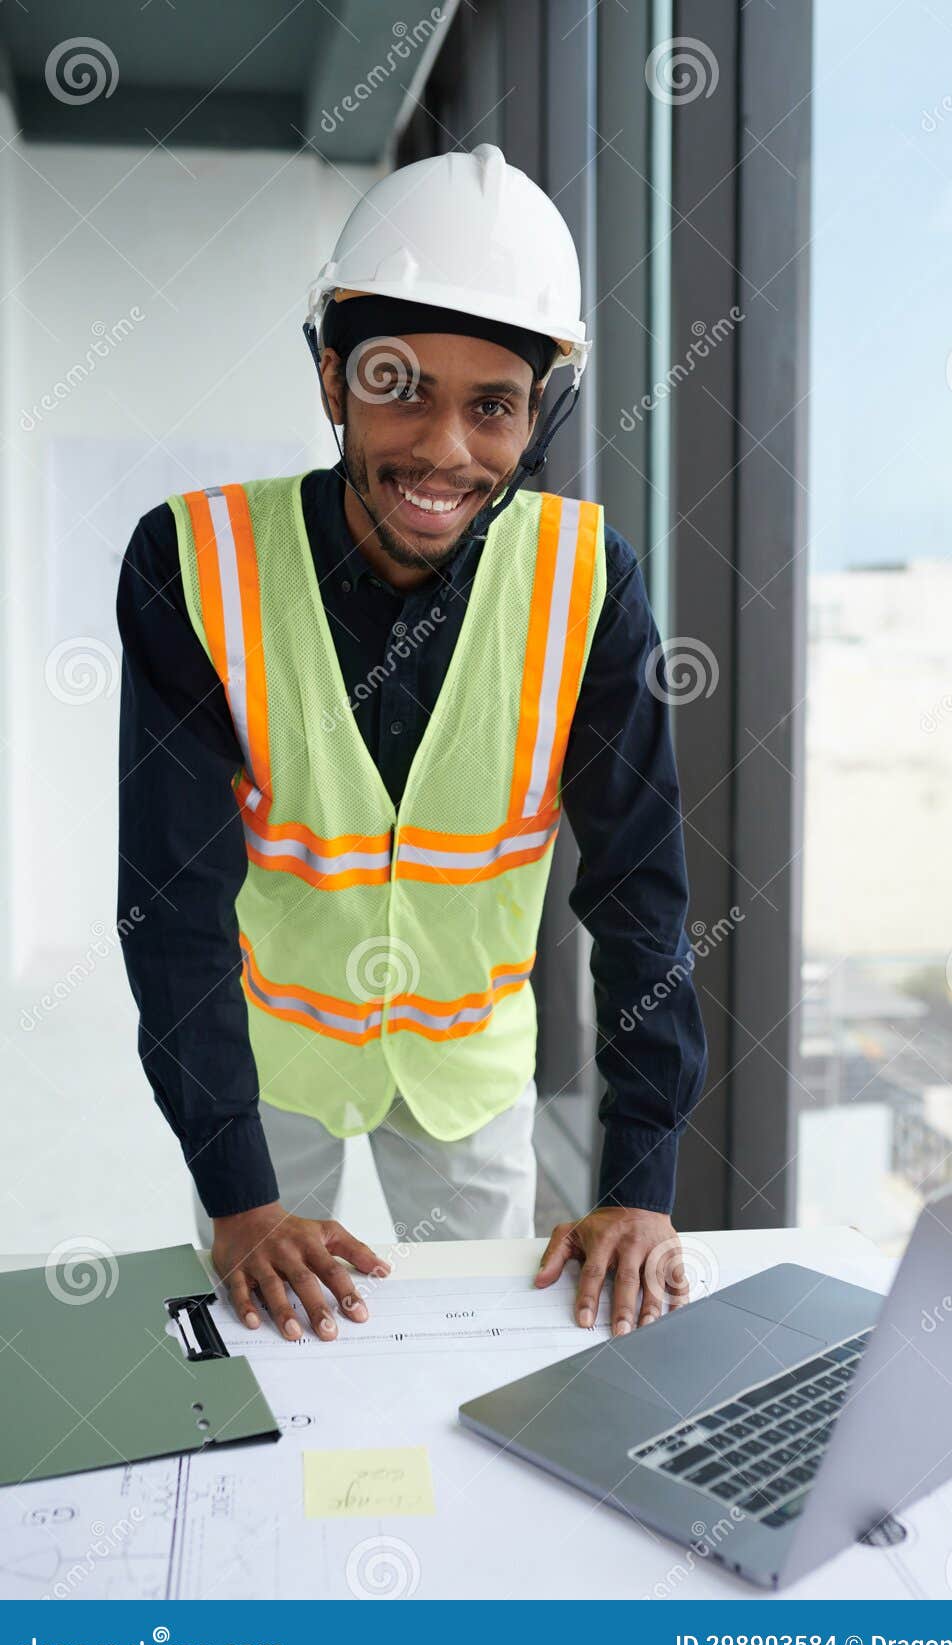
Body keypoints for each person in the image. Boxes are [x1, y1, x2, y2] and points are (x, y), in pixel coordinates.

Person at [117, 143, 707, 1346]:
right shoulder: (192, 562)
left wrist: (638, 1180)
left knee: (482, 1357)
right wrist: (236, 1193)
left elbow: (638, 886)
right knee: (269, 1350)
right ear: (333, 377)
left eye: (492, 405)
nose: (446, 449)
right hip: (267, 1063)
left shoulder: (588, 580)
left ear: (537, 414)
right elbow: (172, 902)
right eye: (400, 385)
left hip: (469, 1071)